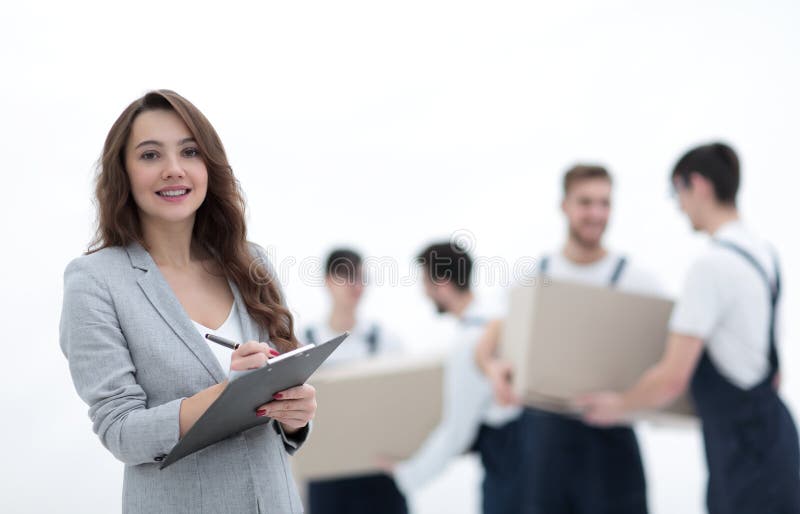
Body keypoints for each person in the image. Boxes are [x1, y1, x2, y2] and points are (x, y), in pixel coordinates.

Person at [59, 90, 316, 514]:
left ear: (208, 166)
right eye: (150, 155)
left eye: (189, 152)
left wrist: (295, 415)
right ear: (122, 172)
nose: (173, 170)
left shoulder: (250, 262)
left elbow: (280, 413)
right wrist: (227, 395)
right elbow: (120, 431)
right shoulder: (95, 280)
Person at [577, 143, 800, 514]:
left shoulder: (710, 266)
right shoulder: (764, 254)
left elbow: (671, 379)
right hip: (779, 444)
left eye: (676, 193)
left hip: (744, 459)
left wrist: (617, 406)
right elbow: (773, 374)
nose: (679, 207)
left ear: (696, 184)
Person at [476, 165, 664, 514]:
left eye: (605, 204)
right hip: (542, 449)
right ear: (564, 206)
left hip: (612, 450)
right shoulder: (533, 278)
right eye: (586, 202)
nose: (596, 213)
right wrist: (494, 371)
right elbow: (486, 348)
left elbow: (666, 364)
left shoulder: (639, 283)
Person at [384, 241, 524, 514]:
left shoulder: (468, 344)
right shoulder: (501, 316)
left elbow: (457, 431)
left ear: (443, 284)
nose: (424, 293)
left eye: (425, 282)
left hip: (510, 474)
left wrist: (407, 474)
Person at [303, 248, 407, 514]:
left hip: (379, 472)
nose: (354, 284)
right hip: (327, 475)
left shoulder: (385, 340)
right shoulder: (302, 343)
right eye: (345, 275)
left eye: (359, 276)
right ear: (328, 281)